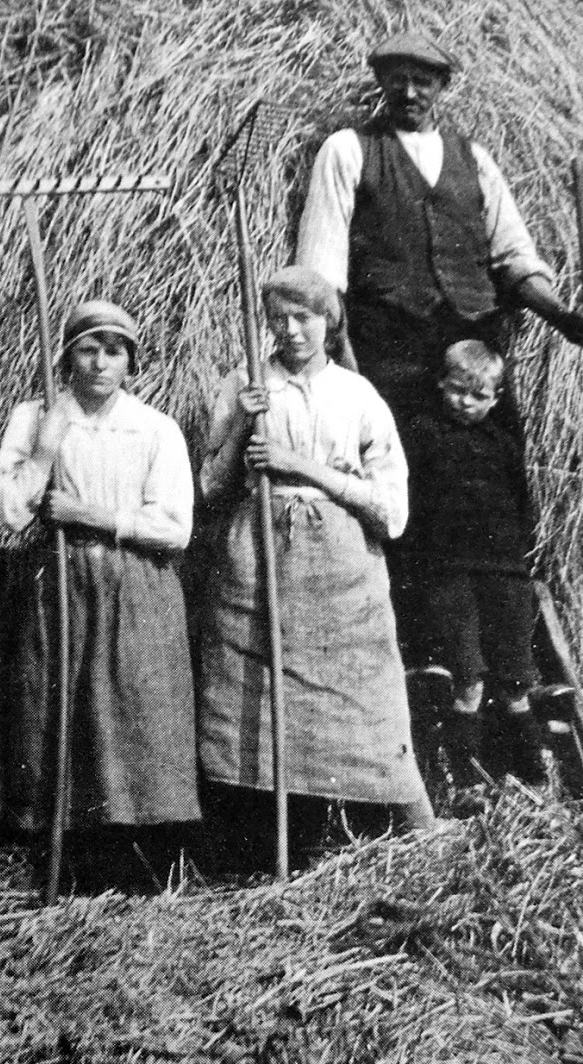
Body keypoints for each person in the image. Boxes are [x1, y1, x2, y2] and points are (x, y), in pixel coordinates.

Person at [197, 266, 433, 869]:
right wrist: (232, 428)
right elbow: (209, 487)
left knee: (358, 694)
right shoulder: (245, 383)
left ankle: (399, 828)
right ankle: (255, 847)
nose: (291, 330)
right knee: (251, 692)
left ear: (330, 322)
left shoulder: (358, 396)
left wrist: (303, 466)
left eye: (304, 317)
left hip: (340, 566)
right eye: (278, 319)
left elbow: (392, 508)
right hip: (259, 555)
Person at [0, 300, 199, 892]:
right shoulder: (34, 419)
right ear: (66, 358)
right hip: (56, 582)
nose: (100, 363)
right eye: (88, 349)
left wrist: (90, 514)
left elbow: (174, 527)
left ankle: (138, 862)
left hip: (136, 584)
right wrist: (46, 450)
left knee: (134, 710)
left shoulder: (155, 429)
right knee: (57, 708)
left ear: (130, 362)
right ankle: (60, 860)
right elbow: (8, 511)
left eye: (114, 351)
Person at [295, 31, 583, 426]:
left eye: (423, 82)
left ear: (443, 86)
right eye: (398, 79)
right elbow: (321, 275)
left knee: (488, 474)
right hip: (389, 352)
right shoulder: (347, 150)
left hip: (473, 355)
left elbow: (515, 259)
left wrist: (562, 318)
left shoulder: (475, 160)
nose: (409, 92)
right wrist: (345, 367)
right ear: (381, 81)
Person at [394, 340, 546, 786]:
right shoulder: (422, 435)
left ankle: (537, 782)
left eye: (479, 396)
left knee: (515, 680)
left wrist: (519, 558)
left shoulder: (500, 443)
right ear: (441, 383)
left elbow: (521, 503)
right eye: (458, 390)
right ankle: (468, 785)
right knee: (468, 679)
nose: (465, 403)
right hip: (449, 571)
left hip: (503, 572)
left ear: (496, 399)